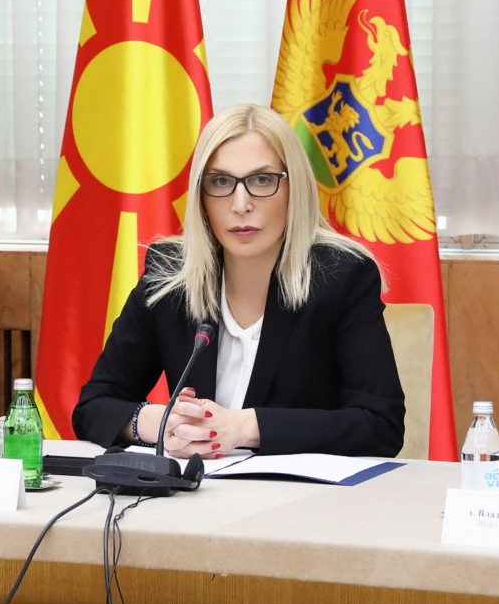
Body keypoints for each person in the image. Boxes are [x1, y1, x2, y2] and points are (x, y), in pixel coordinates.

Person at [73, 103, 405, 458]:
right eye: (220, 182)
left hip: (299, 502)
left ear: (295, 189)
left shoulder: (341, 277)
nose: (241, 203)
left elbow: (379, 425)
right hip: (193, 501)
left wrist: (244, 427)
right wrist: (161, 422)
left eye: (262, 180)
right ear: (201, 198)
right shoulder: (170, 275)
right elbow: (93, 407)